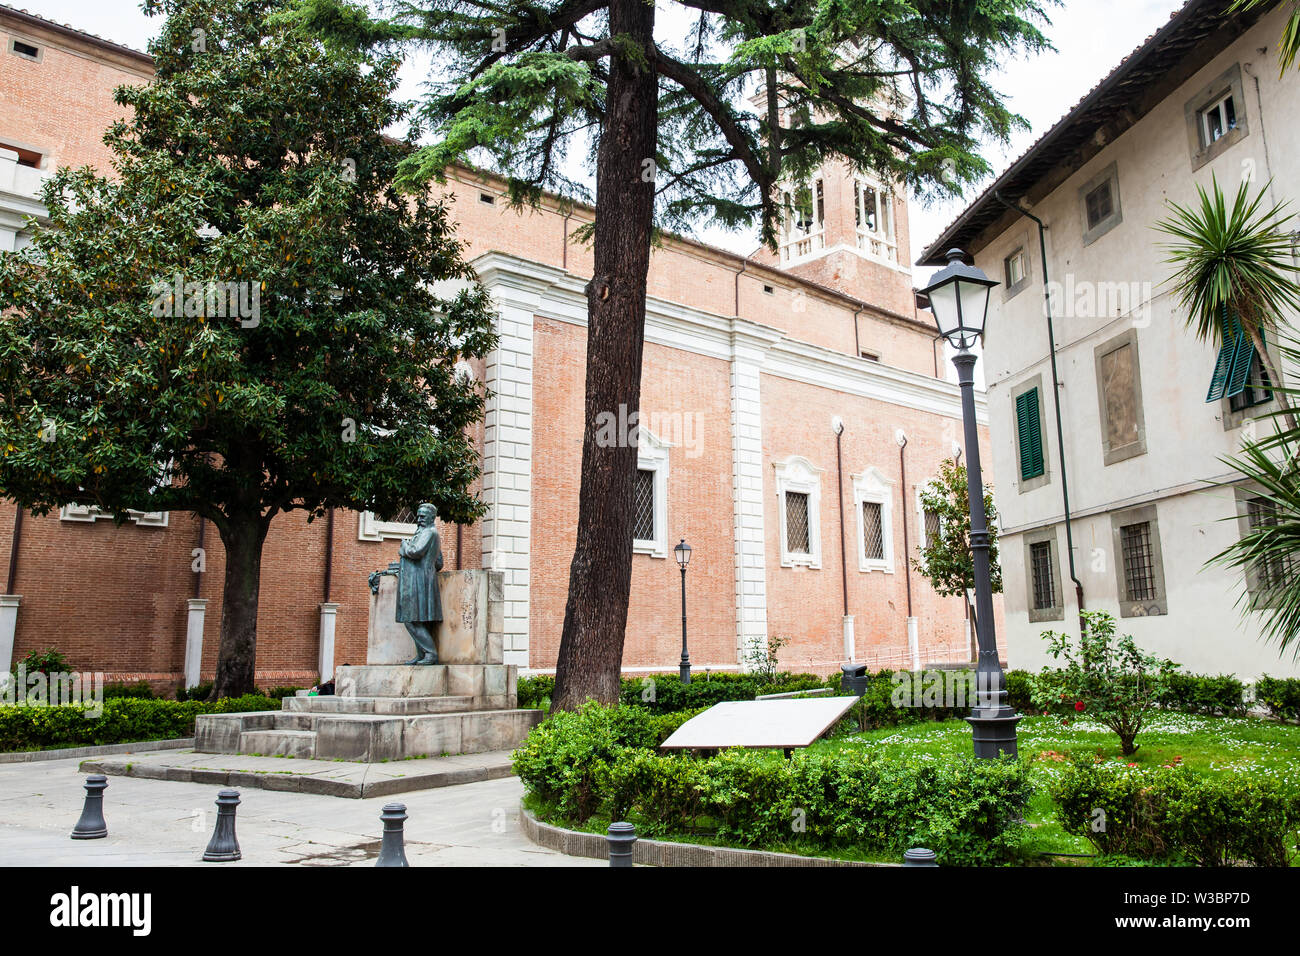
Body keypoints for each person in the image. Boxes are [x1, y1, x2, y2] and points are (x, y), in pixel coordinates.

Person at [395, 503, 443, 664]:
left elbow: (415, 552)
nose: (419, 518)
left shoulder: (429, 532)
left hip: (418, 580)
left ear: (432, 517)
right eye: (419, 515)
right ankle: (422, 655)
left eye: (423, 516)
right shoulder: (426, 533)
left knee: (411, 619)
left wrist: (404, 546)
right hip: (421, 579)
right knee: (416, 619)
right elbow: (439, 562)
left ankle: (430, 654)